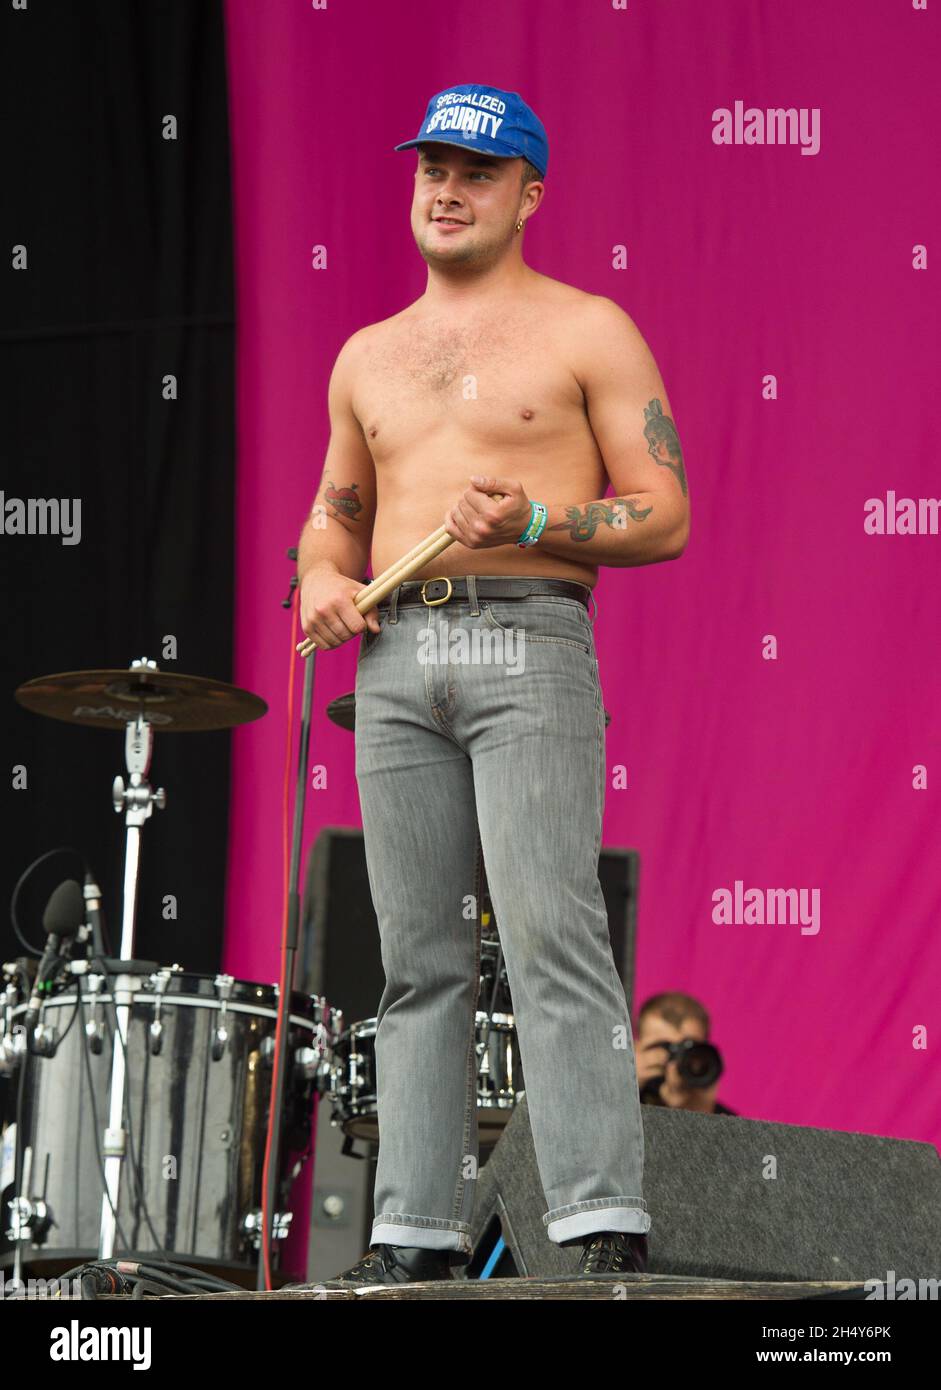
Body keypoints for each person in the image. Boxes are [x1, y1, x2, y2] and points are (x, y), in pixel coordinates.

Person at [296, 83, 690, 1286]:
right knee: (415, 958)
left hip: (528, 636)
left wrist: (537, 513)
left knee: (548, 931)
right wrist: (317, 575)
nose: (446, 190)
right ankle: (411, 1234)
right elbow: (334, 517)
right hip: (397, 655)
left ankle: (597, 1220)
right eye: (431, 169)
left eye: (475, 171)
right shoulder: (364, 355)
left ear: (528, 194)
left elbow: (663, 510)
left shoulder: (589, 328)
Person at [635, 992, 738, 1115]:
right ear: (636, 1049)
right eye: (664, 1047)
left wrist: (703, 1114)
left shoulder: (729, 1121)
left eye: (688, 1048)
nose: (676, 1060)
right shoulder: (614, 1103)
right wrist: (625, 1087)